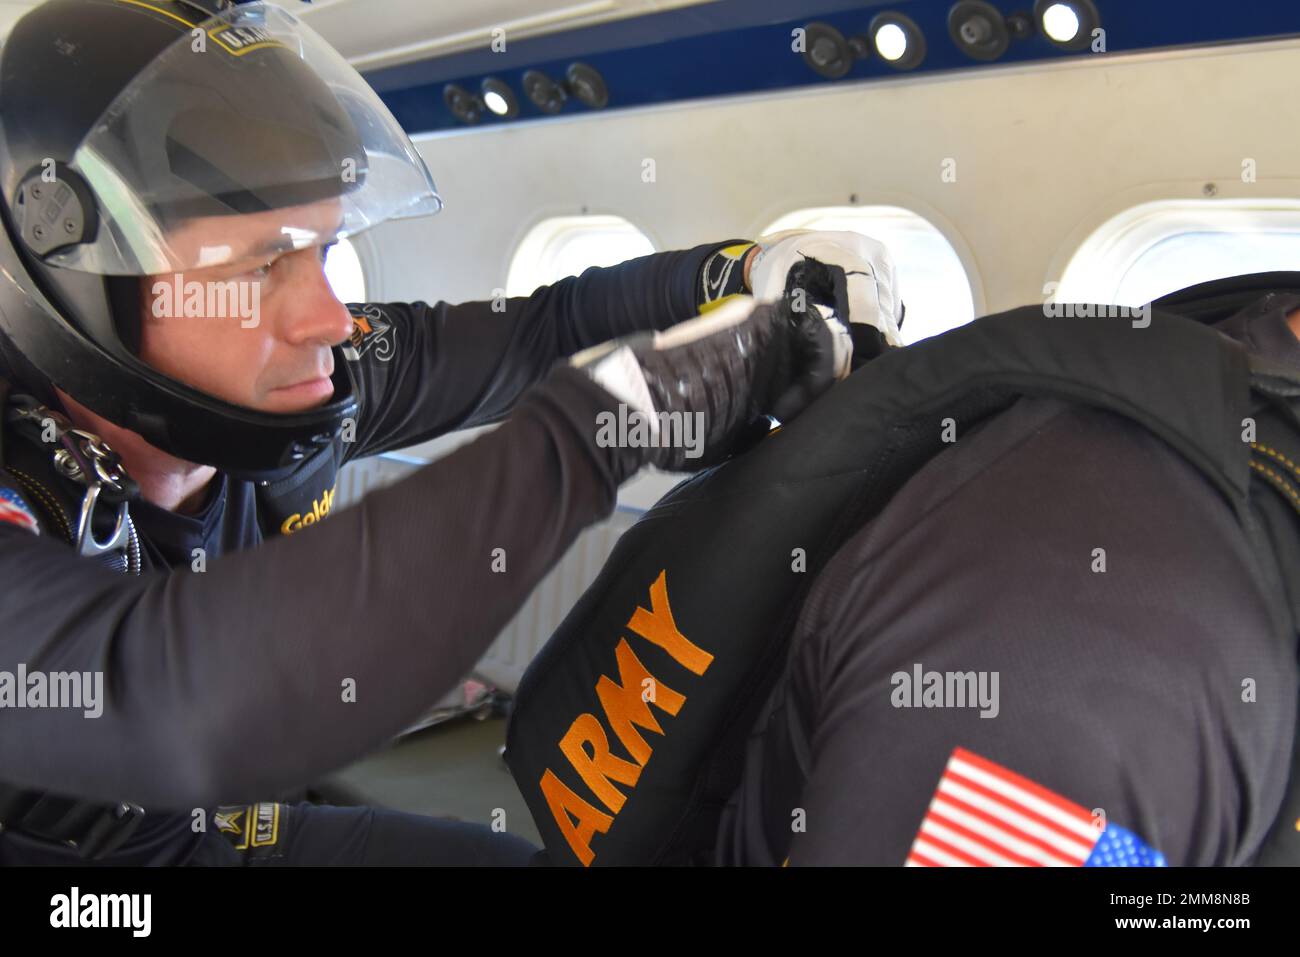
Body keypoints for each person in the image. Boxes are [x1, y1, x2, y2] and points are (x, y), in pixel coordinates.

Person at [0, 0, 902, 864]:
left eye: (323, 252)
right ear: (80, 276)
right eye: (265, 262)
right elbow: (166, 698)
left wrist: (741, 271)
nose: (331, 319)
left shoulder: (311, 378)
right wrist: (605, 429)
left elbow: (543, 328)